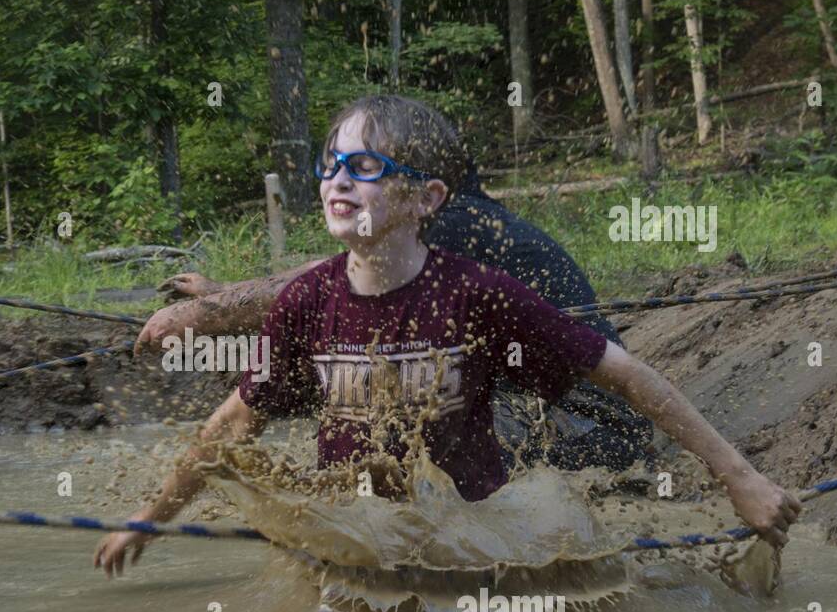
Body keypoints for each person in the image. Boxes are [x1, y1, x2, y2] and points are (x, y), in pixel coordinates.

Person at [94, 94, 799, 577]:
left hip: (502, 506)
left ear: (428, 197)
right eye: (330, 165)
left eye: (366, 166)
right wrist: (150, 516)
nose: (339, 180)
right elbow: (234, 421)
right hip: (361, 545)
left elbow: (628, 373)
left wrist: (741, 477)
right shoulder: (314, 299)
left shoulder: (474, 269)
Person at [136, 134, 651, 473]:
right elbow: (333, 274)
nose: (351, 181)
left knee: (408, 419)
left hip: (590, 429)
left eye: (371, 167)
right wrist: (221, 293)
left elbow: (319, 280)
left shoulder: (455, 224)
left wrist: (203, 316)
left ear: (424, 190)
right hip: (567, 417)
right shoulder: (461, 223)